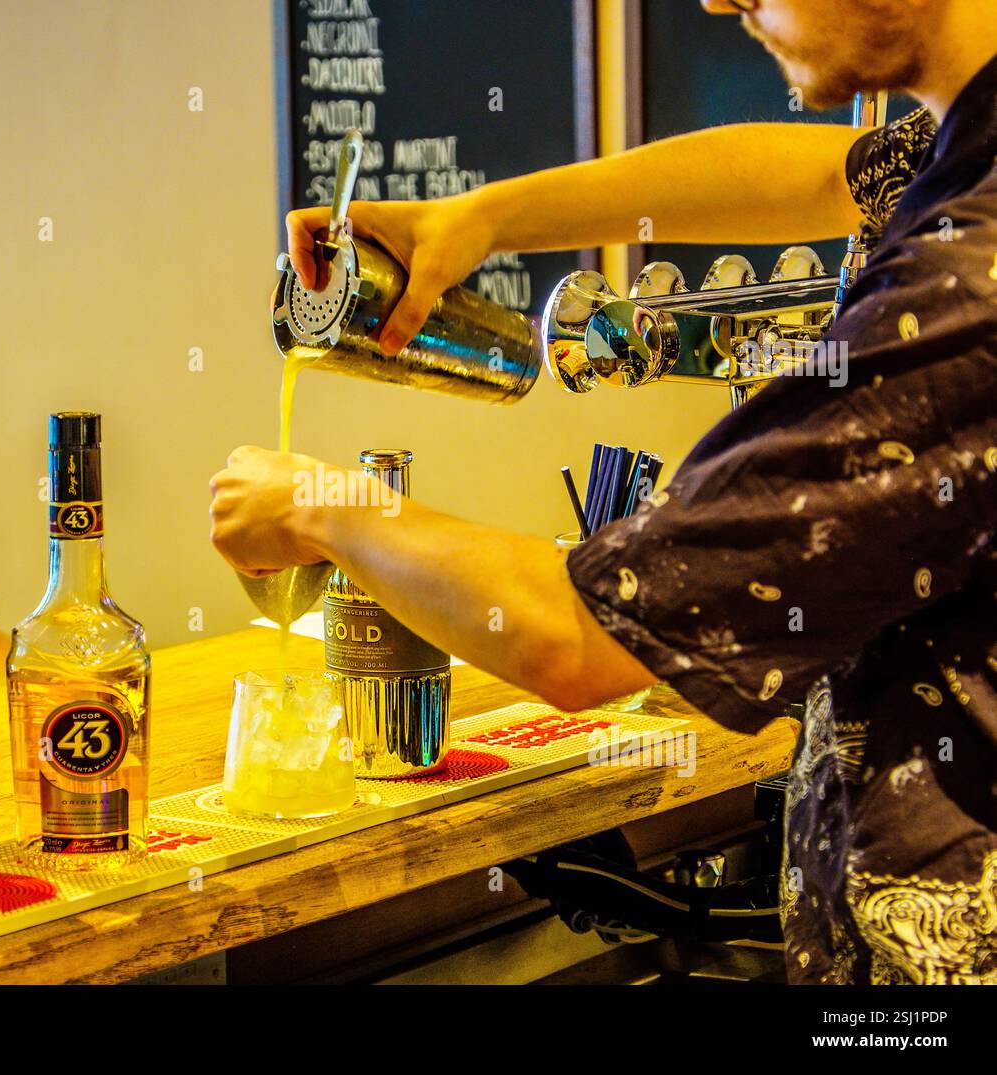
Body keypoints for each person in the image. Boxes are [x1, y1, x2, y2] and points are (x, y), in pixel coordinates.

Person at [209, 0, 997, 984]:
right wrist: (485, 217)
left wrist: (317, 505)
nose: (716, 2)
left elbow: (574, 636)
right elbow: (819, 174)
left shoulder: (963, 285)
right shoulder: (965, 146)